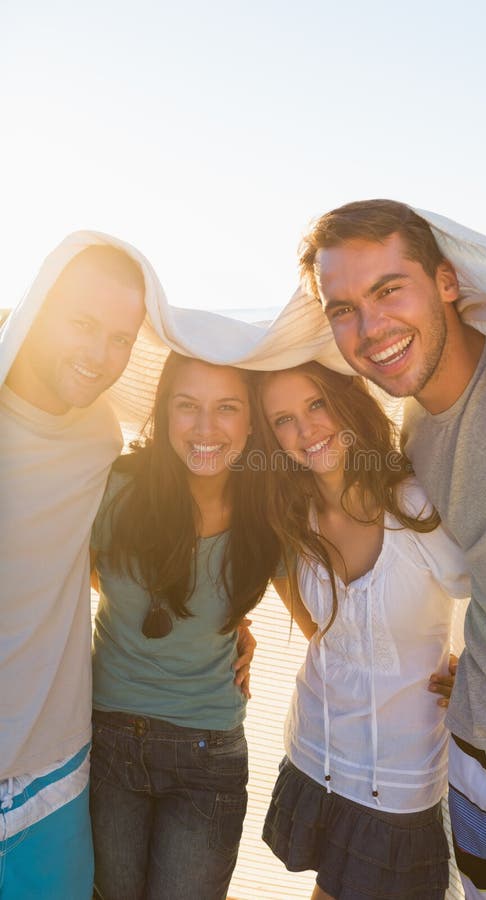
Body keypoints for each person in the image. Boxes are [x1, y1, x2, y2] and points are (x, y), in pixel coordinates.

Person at [296, 200, 486, 898]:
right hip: (475, 762)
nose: (370, 328)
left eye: (388, 290)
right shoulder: (414, 433)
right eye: (343, 310)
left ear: (447, 281)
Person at [253, 361, 469, 900]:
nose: (306, 430)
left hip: (402, 775)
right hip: (317, 749)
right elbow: (297, 600)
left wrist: (478, 670)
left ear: (348, 402)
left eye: (316, 404)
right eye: (283, 419)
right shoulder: (293, 513)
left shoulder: (414, 504)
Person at [89, 352, 280, 900]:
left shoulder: (268, 509)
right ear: (163, 409)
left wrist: (236, 621)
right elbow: (76, 576)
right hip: (108, 737)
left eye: (227, 408)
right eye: (187, 405)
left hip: (208, 752)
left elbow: (327, 620)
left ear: (252, 420)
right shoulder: (115, 487)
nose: (205, 428)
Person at [0, 241, 150, 900]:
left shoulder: (100, 435)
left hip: (52, 769)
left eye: (121, 338)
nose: (99, 354)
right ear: (40, 309)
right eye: (82, 323)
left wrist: (222, 622)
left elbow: (92, 554)